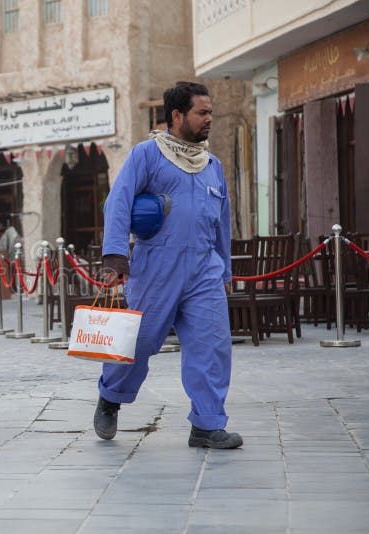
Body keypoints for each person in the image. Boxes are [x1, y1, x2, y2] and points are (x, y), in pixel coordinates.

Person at [94, 82, 243, 449]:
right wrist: (115, 256)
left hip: (204, 270)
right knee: (140, 342)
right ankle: (111, 397)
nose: (210, 119)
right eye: (201, 113)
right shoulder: (146, 155)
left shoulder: (212, 165)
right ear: (177, 116)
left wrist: (224, 271)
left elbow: (222, 222)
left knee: (211, 345)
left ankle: (207, 424)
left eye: (210, 112)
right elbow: (117, 202)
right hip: (156, 265)